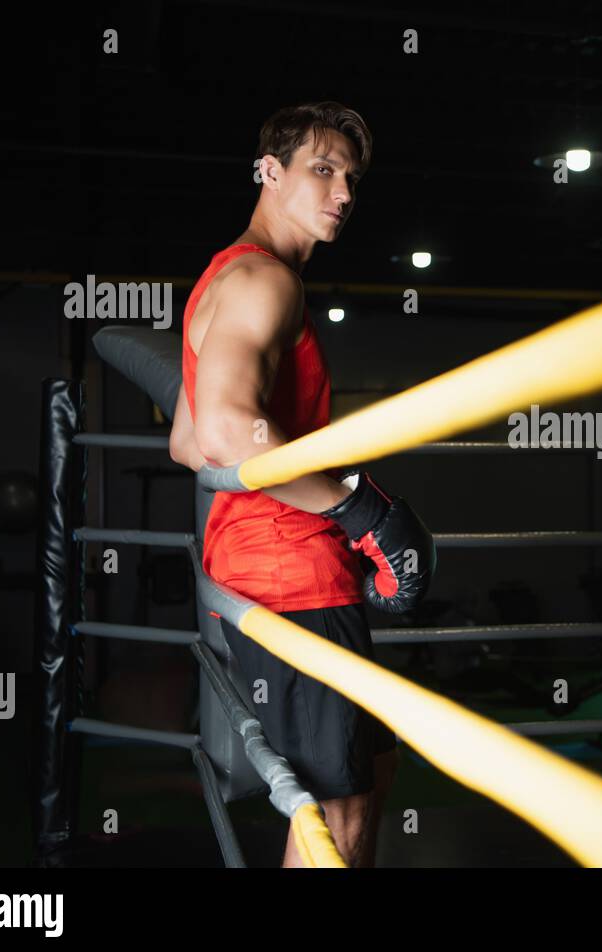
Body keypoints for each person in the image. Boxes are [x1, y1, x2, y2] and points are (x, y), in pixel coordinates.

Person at [167, 101, 435, 867]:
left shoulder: (226, 276)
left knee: (366, 771)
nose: (343, 192)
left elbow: (187, 439)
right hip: (294, 574)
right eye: (322, 169)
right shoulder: (266, 282)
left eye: (351, 177)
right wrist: (364, 512)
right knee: (338, 809)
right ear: (269, 172)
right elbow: (220, 434)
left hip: (269, 563)